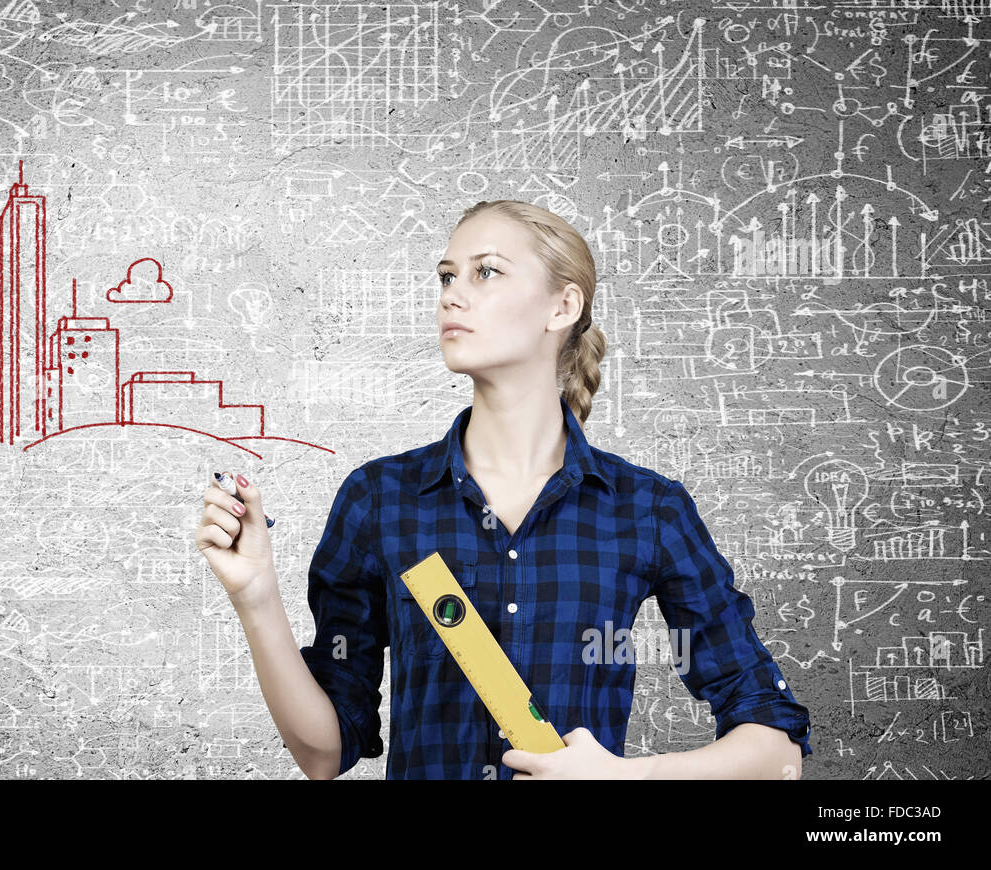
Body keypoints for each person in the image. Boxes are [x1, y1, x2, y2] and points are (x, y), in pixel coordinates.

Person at [195, 200, 813, 780]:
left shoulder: (648, 509)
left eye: (486, 272)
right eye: (446, 276)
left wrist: (625, 777)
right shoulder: (380, 498)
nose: (452, 295)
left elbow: (777, 748)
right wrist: (256, 597)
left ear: (562, 306)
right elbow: (326, 753)